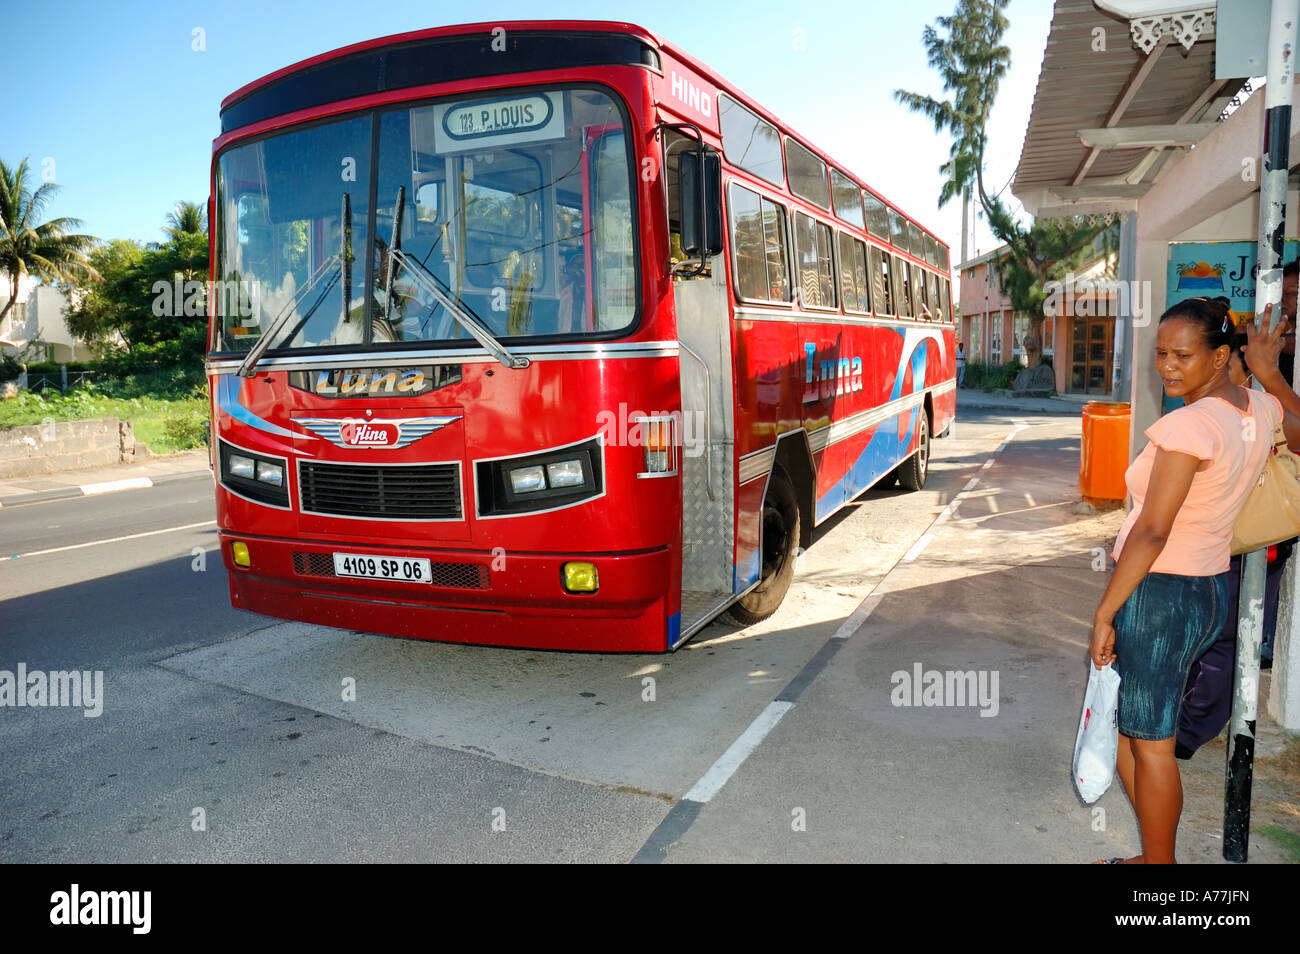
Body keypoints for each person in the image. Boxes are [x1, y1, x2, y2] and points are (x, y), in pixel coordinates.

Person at [1090, 296, 1282, 864]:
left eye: (1183, 355)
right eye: (1161, 354)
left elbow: (1151, 530)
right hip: (1207, 589)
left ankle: (1162, 874)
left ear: (1221, 356)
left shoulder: (1189, 426)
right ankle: (1153, 860)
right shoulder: (1256, 408)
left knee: (1150, 745)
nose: (1168, 367)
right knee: (1134, 735)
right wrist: (1266, 374)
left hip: (1161, 595)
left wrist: (1105, 612)